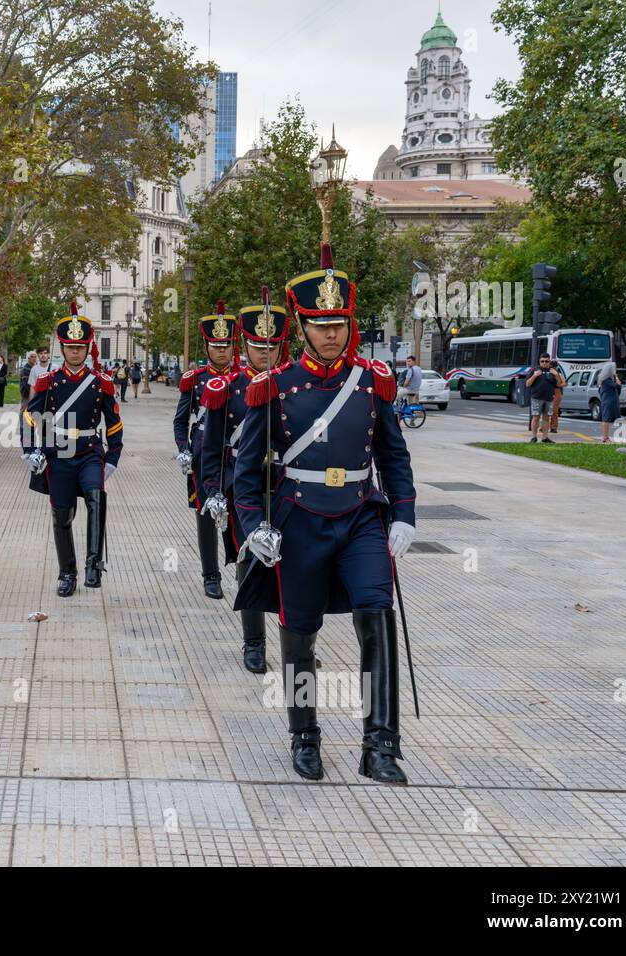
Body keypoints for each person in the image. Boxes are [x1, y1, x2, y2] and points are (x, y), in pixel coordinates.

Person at [233, 242, 417, 785]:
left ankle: (381, 745)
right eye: (320, 324)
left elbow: (392, 454)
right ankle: (305, 735)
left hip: (361, 515)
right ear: (301, 325)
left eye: (339, 322)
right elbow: (247, 474)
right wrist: (253, 528)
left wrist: (403, 514)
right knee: (299, 633)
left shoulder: (372, 380)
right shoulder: (275, 388)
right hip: (300, 520)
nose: (331, 333)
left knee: (377, 618)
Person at [199, 290, 290, 673]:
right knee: (251, 559)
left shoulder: (294, 385)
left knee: (295, 567)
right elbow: (212, 447)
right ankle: (253, 642)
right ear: (245, 345)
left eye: (271, 346)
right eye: (256, 345)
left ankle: (297, 641)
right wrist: (214, 489)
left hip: (288, 488)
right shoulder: (226, 388)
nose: (264, 352)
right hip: (245, 487)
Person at [22, 302, 123, 596]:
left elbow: (114, 422)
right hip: (60, 452)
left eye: (80, 347)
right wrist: (31, 450)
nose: (75, 352)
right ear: (62, 348)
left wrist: (113, 456)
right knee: (62, 515)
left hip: (91, 450)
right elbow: (30, 416)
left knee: (96, 497)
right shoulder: (49, 381)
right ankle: (67, 572)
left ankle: (94, 562)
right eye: (70, 347)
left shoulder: (100, 382)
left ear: (87, 347)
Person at [173, 303, 243, 600]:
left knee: (240, 512)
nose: (222, 351)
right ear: (207, 346)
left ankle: (242, 569)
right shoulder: (195, 379)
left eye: (226, 345)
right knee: (205, 515)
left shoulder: (245, 378)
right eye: (216, 346)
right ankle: (210, 575)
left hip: (239, 454)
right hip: (205, 455)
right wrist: (183, 449)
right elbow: (181, 420)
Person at [525, 352, 564, 443]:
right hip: (536, 398)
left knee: (547, 418)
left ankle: (544, 437)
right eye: (542, 361)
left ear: (549, 361)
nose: (544, 363)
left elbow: (559, 384)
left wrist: (556, 375)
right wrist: (534, 376)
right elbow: (527, 384)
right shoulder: (534, 370)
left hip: (549, 398)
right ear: (539, 361)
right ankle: (534, 437)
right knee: (536, 417)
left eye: (546, 361)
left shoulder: (552, 371)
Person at [595, 360, 621, 443]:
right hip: (608, 401)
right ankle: (605, 437)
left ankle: (606, 437)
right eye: (614, 369)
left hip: (610, 400)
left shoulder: (607, 379)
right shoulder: (606, 380)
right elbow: (617, 385)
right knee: (606, 419)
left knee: (608, 419)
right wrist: (617, 378)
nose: (615, 370)